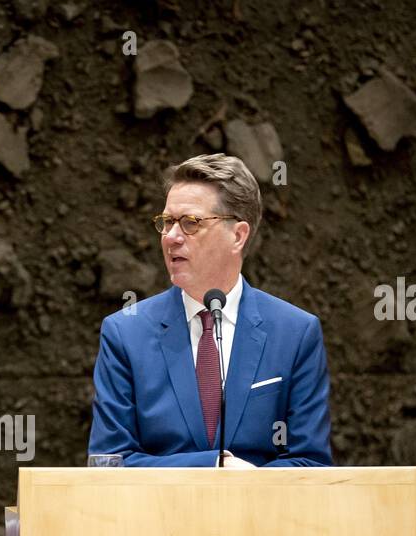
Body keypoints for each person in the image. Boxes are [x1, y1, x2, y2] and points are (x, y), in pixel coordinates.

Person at [88, 153, 332, 467]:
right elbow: (110, 464)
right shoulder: (125, 333)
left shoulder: (296, 332)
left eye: (191, 223)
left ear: (238, 235)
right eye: (167, 222)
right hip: (159, 515)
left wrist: (251, 483)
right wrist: (214, 468)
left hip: (261, 515)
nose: (171, 238)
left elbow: (312, 464)